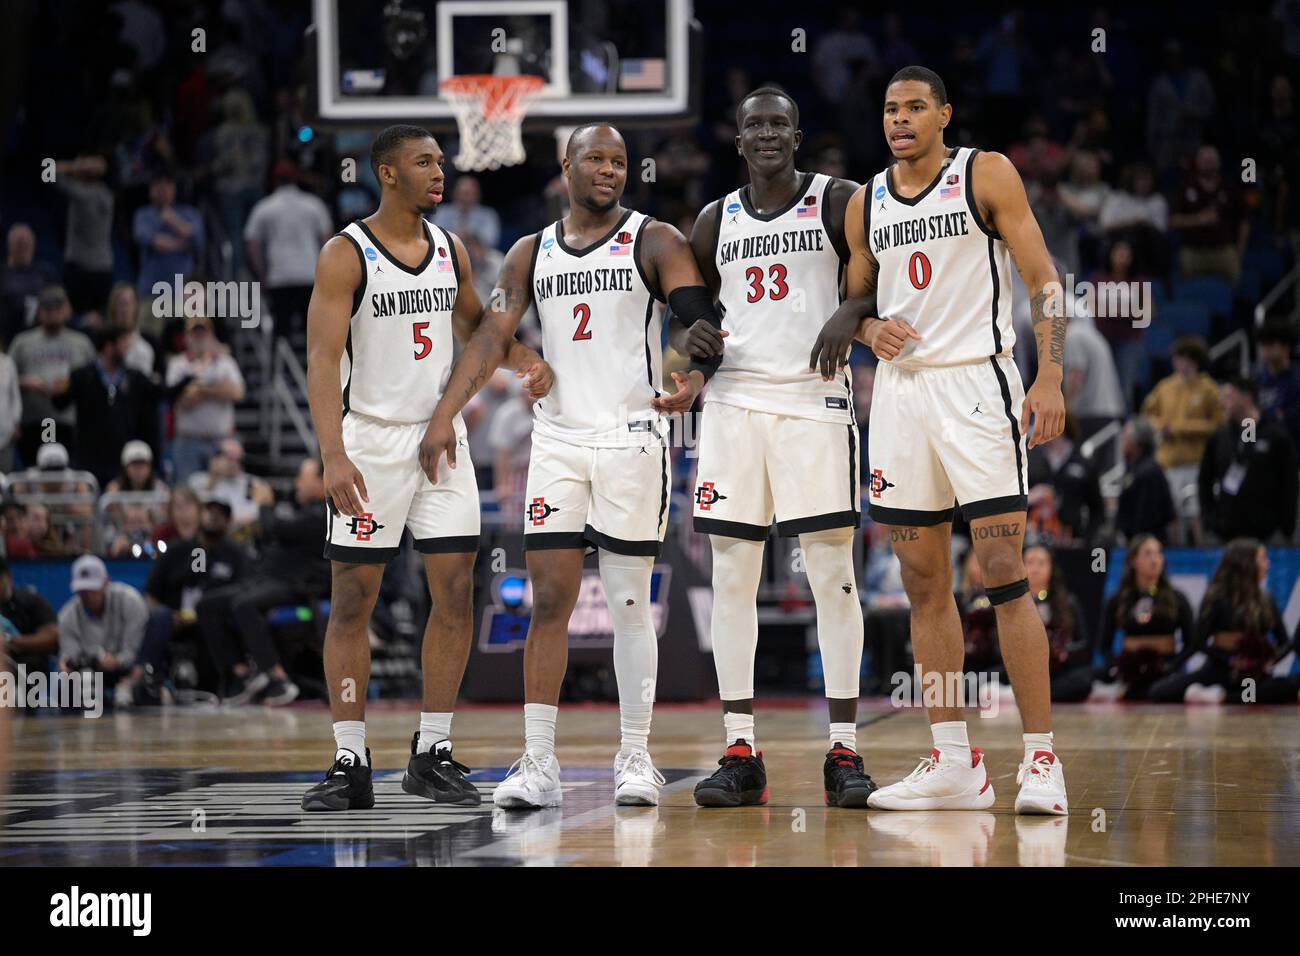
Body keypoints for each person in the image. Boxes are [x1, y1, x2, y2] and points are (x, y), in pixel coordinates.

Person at [422, 122, 716, 810]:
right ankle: (539, 762)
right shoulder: (529, 252)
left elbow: (700, 317)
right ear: (566, 166)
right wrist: (446, 412)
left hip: (632, 437)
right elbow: (493, 333)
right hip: (555, 442)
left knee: (627, 602)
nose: (610, 170)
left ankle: (636, 756)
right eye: (596, 158)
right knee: (548, 602)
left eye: (619, 160)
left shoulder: (656, 239)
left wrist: (694, 372)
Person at [811, 66, 1069, 814]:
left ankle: (1042, 758)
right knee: (924, 581)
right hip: (900, 398)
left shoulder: (984, 174)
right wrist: (864, 326)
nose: (900, 119)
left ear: (943, 114)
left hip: (977, 386)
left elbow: (1044, 280)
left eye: (915, 107)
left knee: (1001, 567)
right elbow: (854, 297)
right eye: (891, 109)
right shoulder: (866, 201)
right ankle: (954, 761)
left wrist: (1049, 377)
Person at [300, 125, 550, 812]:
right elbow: (321, 361)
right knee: (354, 599)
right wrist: (332, 453)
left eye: (441, 161)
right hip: (370, 442)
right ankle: (350, 758)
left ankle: (431, 751)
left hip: (442, 445)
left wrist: (527, 358)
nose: (439, 172)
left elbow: (480, 328)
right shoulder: (343, 254)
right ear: (387, 173)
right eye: (423, 162)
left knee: (456, 592)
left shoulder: (451, 249)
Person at [670, 86, 877, 809]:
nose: (765, 133)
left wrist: (851, 310)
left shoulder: (837, 199)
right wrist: (689, 344)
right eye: (753, 123)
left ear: (797, 135)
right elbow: (689, 311)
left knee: (832, 573)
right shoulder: (710, 220)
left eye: (778, 124)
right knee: (733, 575)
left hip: (813, 402)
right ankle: (739, 750)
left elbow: (879, 271)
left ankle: (844, 750)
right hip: (732, 406)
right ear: (738, 139)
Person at [196, 458, 328, 708]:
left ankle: (276, 678)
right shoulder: (303, 508)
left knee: (241, 604)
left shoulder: (325, 512)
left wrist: (265, 505)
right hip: (262, 583)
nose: (297, 483)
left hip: (294, 586)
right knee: (207, 604)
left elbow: (273, 529)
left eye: (302, 477)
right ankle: (242, 675)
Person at [1149, 539, 1294, 704]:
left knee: (1281, 687)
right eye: (1262, 559)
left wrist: (1267, 662)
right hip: (1218, 670)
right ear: (1245, 564)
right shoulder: (1217, 597)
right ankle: (1222, 691)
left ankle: (1222, 696)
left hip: (1252, 675)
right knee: (1159, 691)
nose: (1267, 564)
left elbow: (1285, 642)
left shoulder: (1266, 600)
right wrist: (1230, 661)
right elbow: (1198, 642)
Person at [143, 496, 245, 690]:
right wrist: (173, 615)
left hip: (215, 621)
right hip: (174, 618)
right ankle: (149, 681)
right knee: (159, 617)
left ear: (228, 521)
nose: (213, 519)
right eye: (209, 513)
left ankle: (231, 682)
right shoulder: (177, 550)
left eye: (220, 515)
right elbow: (151, 594)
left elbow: (243, 593)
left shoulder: (235, 554)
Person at [52, 324, 161, 487]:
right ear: (109, 346)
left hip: (121, 460)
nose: (127, 348)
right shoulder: (82, 376)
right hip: (88, 457)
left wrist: (188, 379)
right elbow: (59, 404)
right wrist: (56, 392)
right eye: (123, 342)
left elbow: (161, 394)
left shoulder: (133, 376)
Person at [1141, 335, 1222, 540]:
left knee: (1196, 512)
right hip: (1168, 462)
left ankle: (1201, 551)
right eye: (1178, 359)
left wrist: (1180, 429)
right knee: (1171, 514)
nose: (1181, 364)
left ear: (1196, 361)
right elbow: (1147, 415)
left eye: (1186, 359)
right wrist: (1161, 427)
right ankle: (1174, 554)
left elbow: (1218, 425)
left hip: (1196, 462)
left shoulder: (1209, 389)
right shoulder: (1165, 387)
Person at [1095, 534, 1196, 700]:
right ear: (1134, 560)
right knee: (1086, 679)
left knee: (1160, 691)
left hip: (1165, 670)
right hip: (1131, 671)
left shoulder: (1177, 598)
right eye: (1148, 554)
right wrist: (1117, 667)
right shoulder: (1117, 599)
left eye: (1158, 554)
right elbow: (1104, 645)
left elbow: (1191, 642)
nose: (1154, 560)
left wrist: (1172, 665)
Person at [1199, 377, 1299, 543]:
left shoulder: (1275, 437)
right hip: (1226, 531)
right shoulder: (1219, 437)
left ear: (1247, 398)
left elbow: (1289, 484)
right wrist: (1209, 520)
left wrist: (1286, 527)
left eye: (1229, 397)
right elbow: (1204, 480)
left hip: (1267, 532)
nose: (1224, 402)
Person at [243, 159, 333, 341]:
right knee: (314, 332)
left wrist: (262, 273)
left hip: (279, 276)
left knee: (282, 332)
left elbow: (251, 243)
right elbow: (328, 241)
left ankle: (279, 368)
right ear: (296, 179)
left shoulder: (264, 207)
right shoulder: (313, 205)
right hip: (309, 274)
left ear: (274, 180)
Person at [8, 286, 94, 465]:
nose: (53, 313)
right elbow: (5, 379)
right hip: (32, 420)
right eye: (47, 309)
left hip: (69, 422)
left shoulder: (81, 343)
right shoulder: (22, 342)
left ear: (67, 310)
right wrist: (26, 382)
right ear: (39, 312)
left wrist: (71, 386)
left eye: (57, 308)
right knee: (33, 474)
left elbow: (94, 381)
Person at [57, 554, 150, 707]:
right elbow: (69, 657)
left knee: (140, 672)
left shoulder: (130, 601)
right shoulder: (67, 616)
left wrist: (117, 661)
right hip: (89, 674)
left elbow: (134, 651)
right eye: (83, 590)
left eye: (93, 589)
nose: (88, 596)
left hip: (127, 669)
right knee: (70, 688)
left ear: (106, 582)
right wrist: (67, 666)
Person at [165, 315, 245, 482]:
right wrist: (218, 387)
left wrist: (201, 388)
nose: (199, 337)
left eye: (203, 332)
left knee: (221, 495)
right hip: (188, 442)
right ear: (186, 337)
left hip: (220, 442)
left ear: (211, 335)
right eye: (195, 333)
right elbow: (184, 400)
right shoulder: (178, 364)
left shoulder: (225, 362)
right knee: (186, 493)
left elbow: (237, 392)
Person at [1170, 145, 1248, 287]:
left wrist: (1240, 250)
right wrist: (1198, 219)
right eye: (1204, 160)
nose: (1207, 164)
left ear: (1219, 163)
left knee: (1235, 287)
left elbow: (1244, 221)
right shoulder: (1186, 186)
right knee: (1186, 288)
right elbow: (1173, 220)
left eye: (1211, 160)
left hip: (1224, 250)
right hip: (1193, 251)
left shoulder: (1230, 187)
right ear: (1197, 163)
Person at [54, 155, 115, 313]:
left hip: (80, 269)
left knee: (77, 317)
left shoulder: (81, 193)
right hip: (103, 268)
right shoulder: (107, 195)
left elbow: (48, 172)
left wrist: (75, 165)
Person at [132, 171, 204, 298]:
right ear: (151, 189)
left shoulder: (190, 213)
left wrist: (172, 219)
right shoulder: (143, 215)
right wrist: (183, 244)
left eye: (168, 184)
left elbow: (197, 239)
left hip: (182, 291)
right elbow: (155, 242)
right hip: (151, 290)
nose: (163, 189)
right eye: (158, 184)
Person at [187, 438, 273, 530]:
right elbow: (196, 512)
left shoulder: (257, 483)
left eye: (238, 458)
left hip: (242, 535)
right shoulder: (197, 480)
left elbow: (259, 517)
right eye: (229, 457)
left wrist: (226, 521)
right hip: (208, 535)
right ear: (216, 458)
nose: (234, 463)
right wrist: (214, 477)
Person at [1116, 417, 1177, 542]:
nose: (1122, 441)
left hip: (1147, 544)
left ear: (1137, 442)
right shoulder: (1134, 467)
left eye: (1125, 437)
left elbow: (1147, 519)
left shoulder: (1149, 472)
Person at [0, 554, 59, 674]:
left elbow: (52, 636)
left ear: (8, 577)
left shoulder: (30, 600)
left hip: (28, 669)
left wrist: (11, 641)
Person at [0, 223, 56, 346]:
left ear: (33, 245)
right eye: (19, 243)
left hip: (41, 335)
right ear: (9, 245)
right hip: (7, 336)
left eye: (26, 243)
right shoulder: (2, 273)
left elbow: (60, 302)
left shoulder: (46, 272)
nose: (23, 247)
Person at [1256, 320, 1300, 454]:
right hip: (1260, 456)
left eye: (1270, 344)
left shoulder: (1296, 381)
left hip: (1290, 456)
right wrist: (1248, 445)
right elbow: (1249, 418)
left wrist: (1263, 419)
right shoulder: (1256, 379)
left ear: (1286, 347)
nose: (1265, 349)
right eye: (1263, 344)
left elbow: (1291, 423)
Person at [434, 174, 501, 250]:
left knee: (497, 260)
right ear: (454, 193)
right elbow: (435, 236)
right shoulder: (442, 211)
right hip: (448, 250)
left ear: (477, 194)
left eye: (468, 193)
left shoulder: (488, 214)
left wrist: (468, 236)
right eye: (461, 193)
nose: (464, 198)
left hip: (480, 252)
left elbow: (491, 240)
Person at [0, 337, 19, 471]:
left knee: (4, 474)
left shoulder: (7, 363)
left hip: (5, 430)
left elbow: (15, 397)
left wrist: (15, 422)